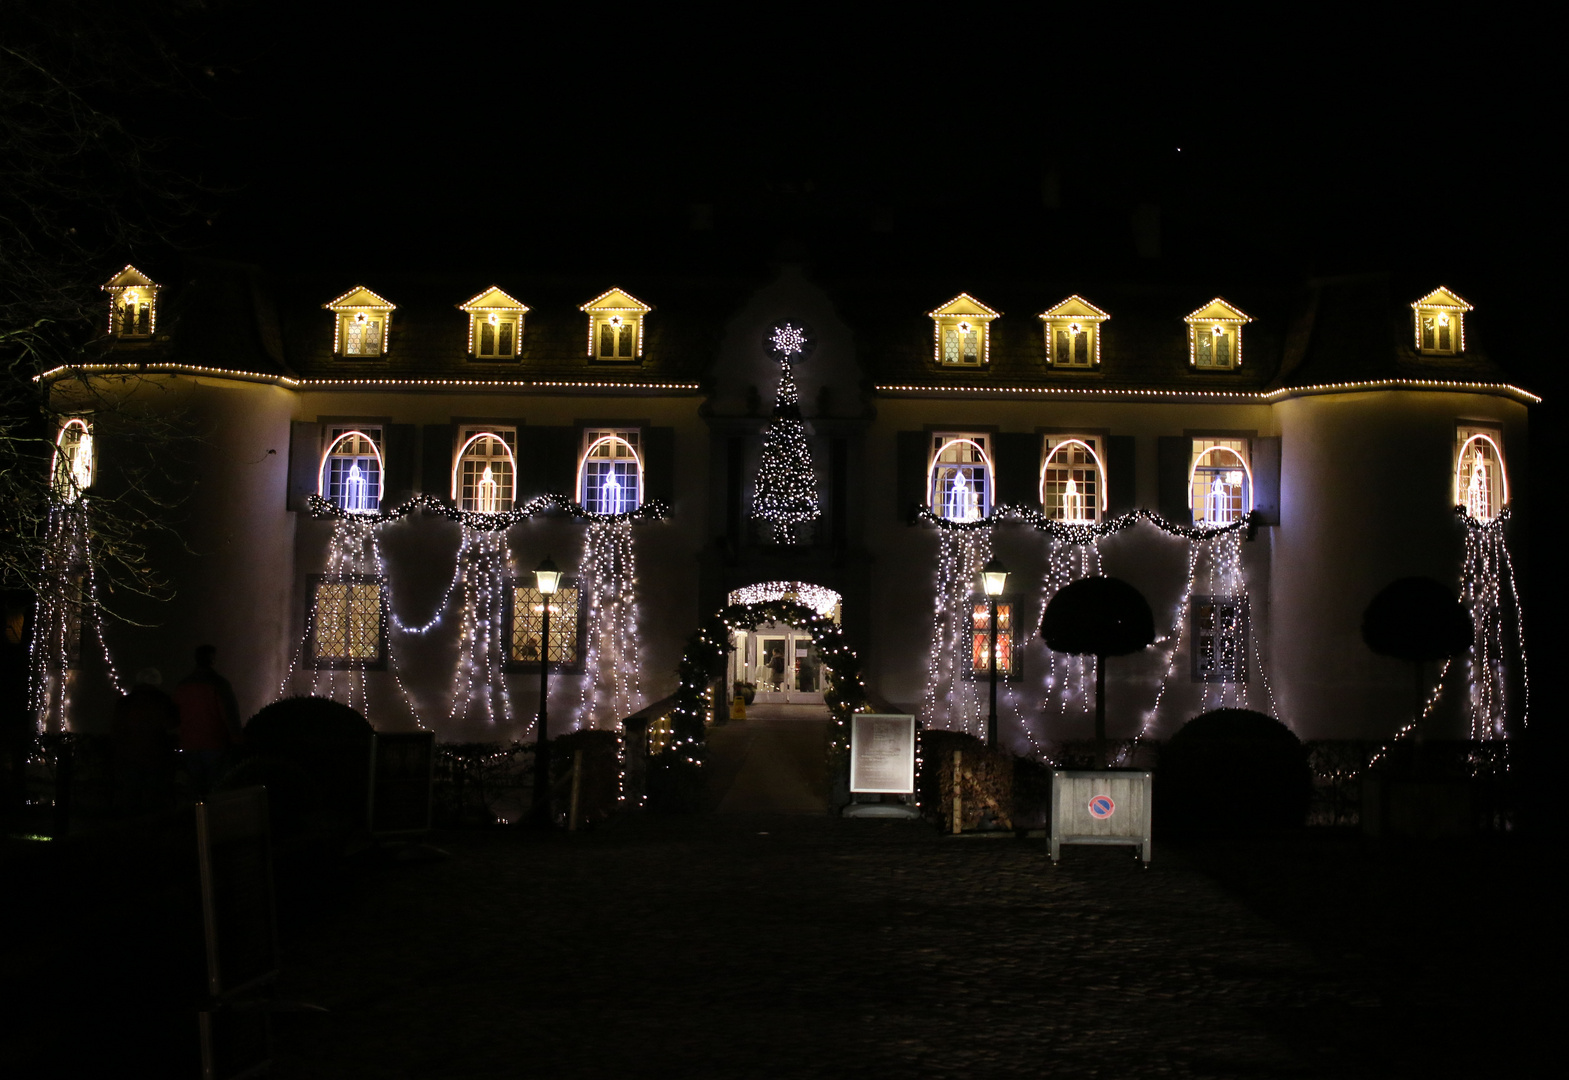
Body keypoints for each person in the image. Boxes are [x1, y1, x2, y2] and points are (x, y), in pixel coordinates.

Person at [174, 645, 242, 793]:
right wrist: (237, 740)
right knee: (216, 787)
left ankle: (195, 815)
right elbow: (229, 714)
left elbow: (176, 716)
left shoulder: (182, 686)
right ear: (212, 660)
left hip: (190, 744)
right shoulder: (219, 684)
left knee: (194, 788)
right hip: (215, 743)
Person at [112, 668, 178, 815]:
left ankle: (130, 828)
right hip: (156, 755)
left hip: (129, 755)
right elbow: (172, 724)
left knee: (131, 795)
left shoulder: (124, 703)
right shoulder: (162, 700)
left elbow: (116, 728)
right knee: (154, 796)